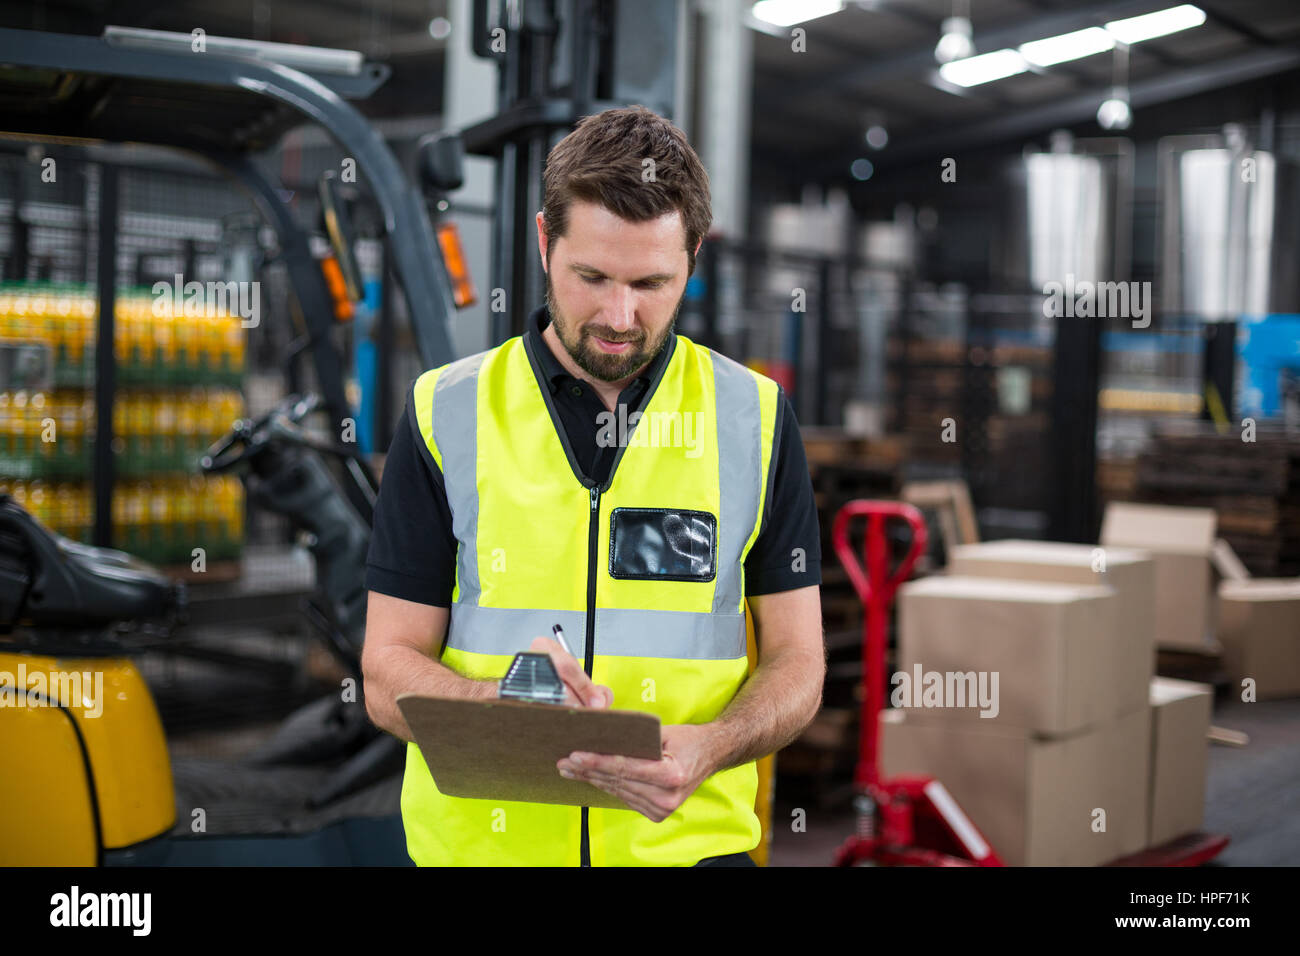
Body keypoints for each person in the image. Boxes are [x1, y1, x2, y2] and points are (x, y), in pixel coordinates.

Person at [362, 104, 824, 867]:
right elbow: (385, 671)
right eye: (592, 277)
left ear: (693, 257)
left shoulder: (755, 419)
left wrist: (712, 746)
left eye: (651, 282)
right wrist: (497, 711)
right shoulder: (447, 412)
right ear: (546, 244)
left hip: (688, 853)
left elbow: (799, 661)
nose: (619, 316)